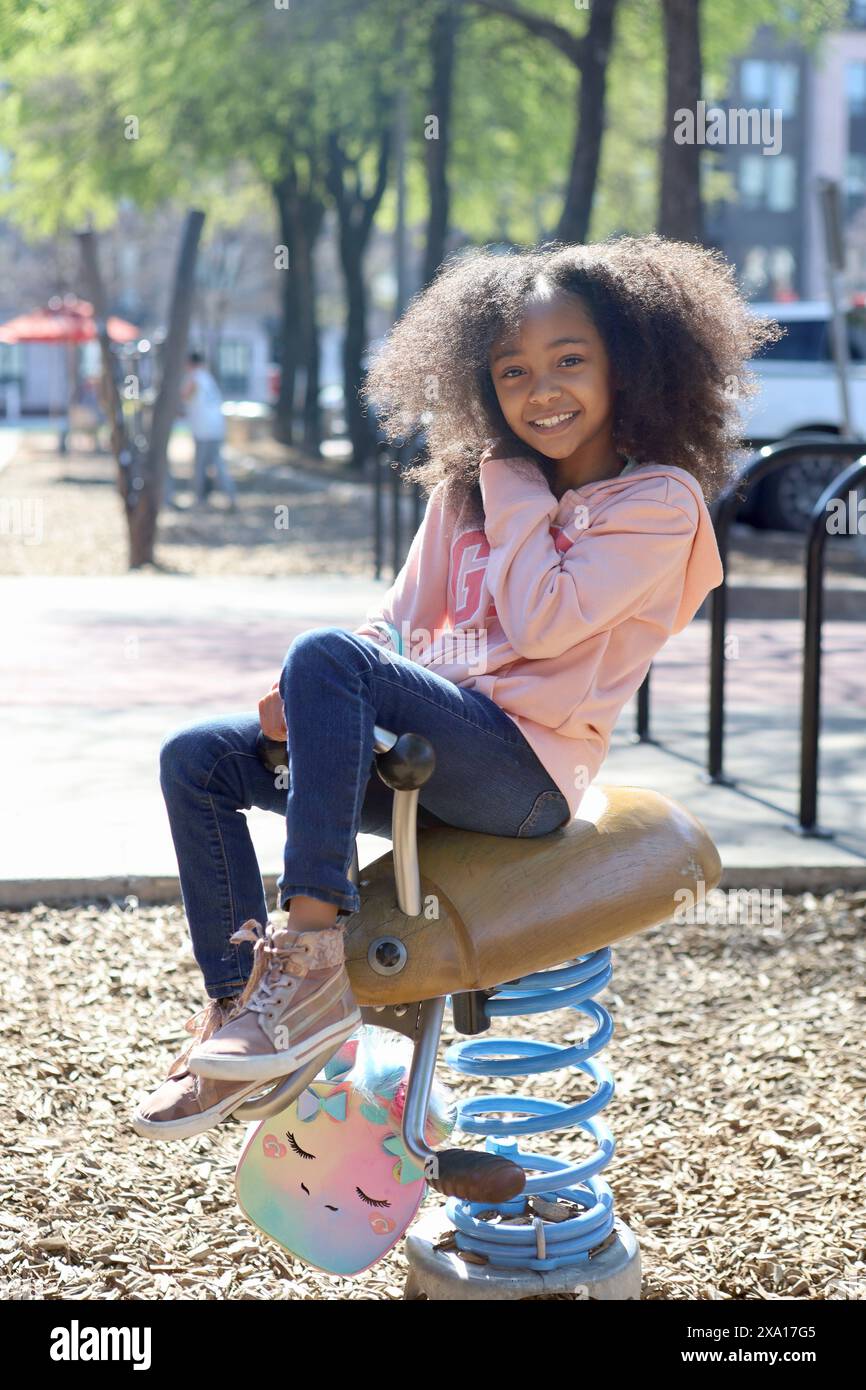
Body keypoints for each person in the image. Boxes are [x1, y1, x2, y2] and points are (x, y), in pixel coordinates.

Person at [132, 235, 780, 1140]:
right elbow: (392, 625)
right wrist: (301, 693)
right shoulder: (465, 495)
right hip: (425, 756)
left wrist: (512, 484)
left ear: (627, 368)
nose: (541, 391)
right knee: (198, 759)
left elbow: (547, 619)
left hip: (522, 780)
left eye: (568, 361)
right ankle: (246, 1009)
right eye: (512, 372)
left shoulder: (657, 505)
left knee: (327, 658)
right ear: (483, 385)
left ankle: (310, 963)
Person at [182, 350, 237, 508]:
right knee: (218, 464)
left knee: (200, 466)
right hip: (217, 427)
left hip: (203, 430)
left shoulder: (194, 378)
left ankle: (198, 499)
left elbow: (184, 397)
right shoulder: (207, 378)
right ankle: (230, 495)